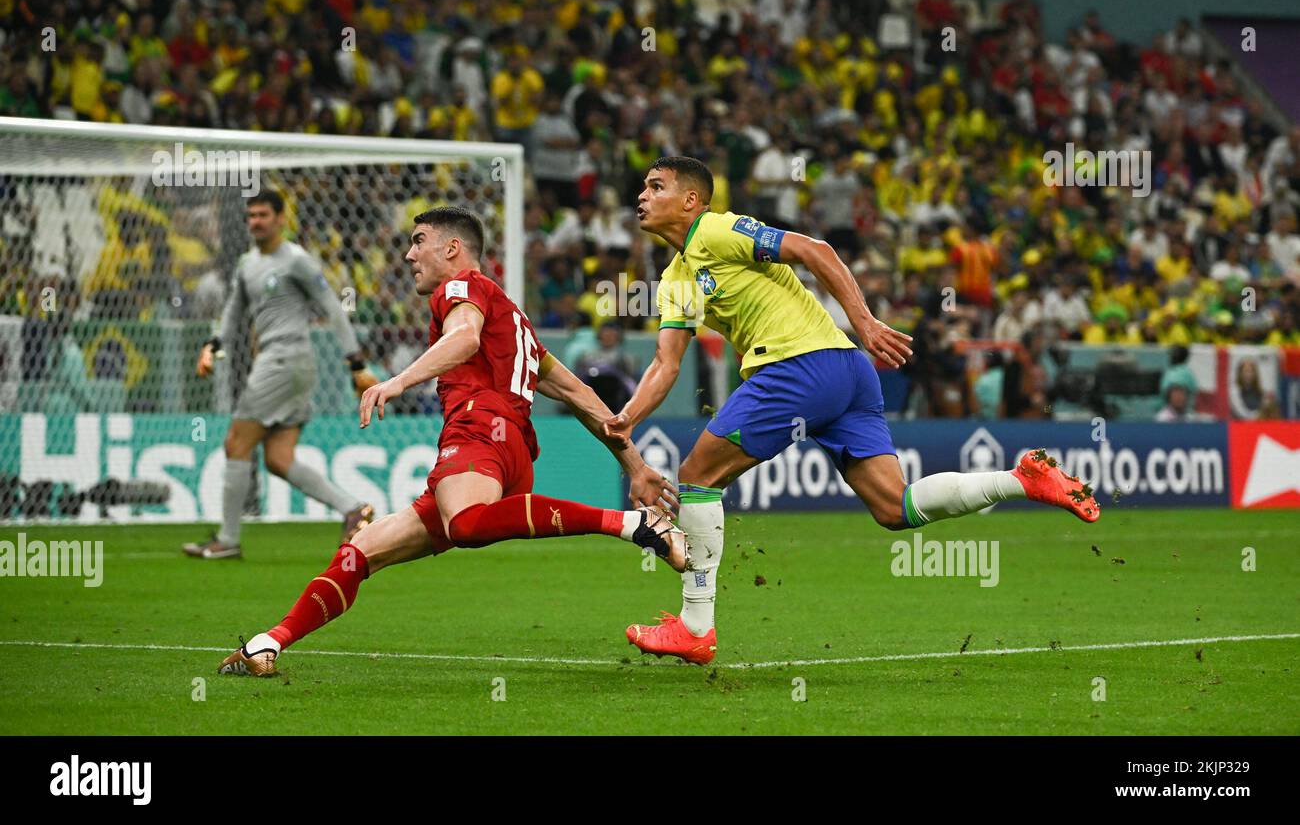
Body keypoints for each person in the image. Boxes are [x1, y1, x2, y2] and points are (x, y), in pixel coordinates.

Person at [604, 157, 1101, 665]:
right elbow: (666, 365)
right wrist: (628, 417)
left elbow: (813, 249)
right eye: (642, 186)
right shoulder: (675, 279)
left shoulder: (716, 229)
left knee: (697, 476)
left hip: (799, 365)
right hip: (846, 372)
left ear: (691, 200)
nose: (641, 194)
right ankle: (1023, 480)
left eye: (655, 186)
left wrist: (863, 321)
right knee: (894, 508)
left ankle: (694, 628)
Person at [218, 207, 684, 677]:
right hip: (509, 452)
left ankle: (633, 525)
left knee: (464, 524)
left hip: (479, 430)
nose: (408, 254)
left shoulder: (460, 288)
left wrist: (397, 381)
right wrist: (636, 467)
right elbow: (578, 394)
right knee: (361, 551)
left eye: (419, 241)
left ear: (452, 249)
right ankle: (269, 642)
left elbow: (463, 338)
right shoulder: (515, 320)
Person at [184, 189, 380, 558]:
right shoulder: (247, 264)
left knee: (236, 443)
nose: (255, 222)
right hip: (278, 363)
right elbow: (232, 311)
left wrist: (355, 363)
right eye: (250, 216)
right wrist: (213, 345)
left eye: (262, 215)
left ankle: (227, 540)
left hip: (285, 360)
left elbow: (332, 309)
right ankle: (354, 508)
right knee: (278, 457)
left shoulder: (297, 261)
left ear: (280, 218)